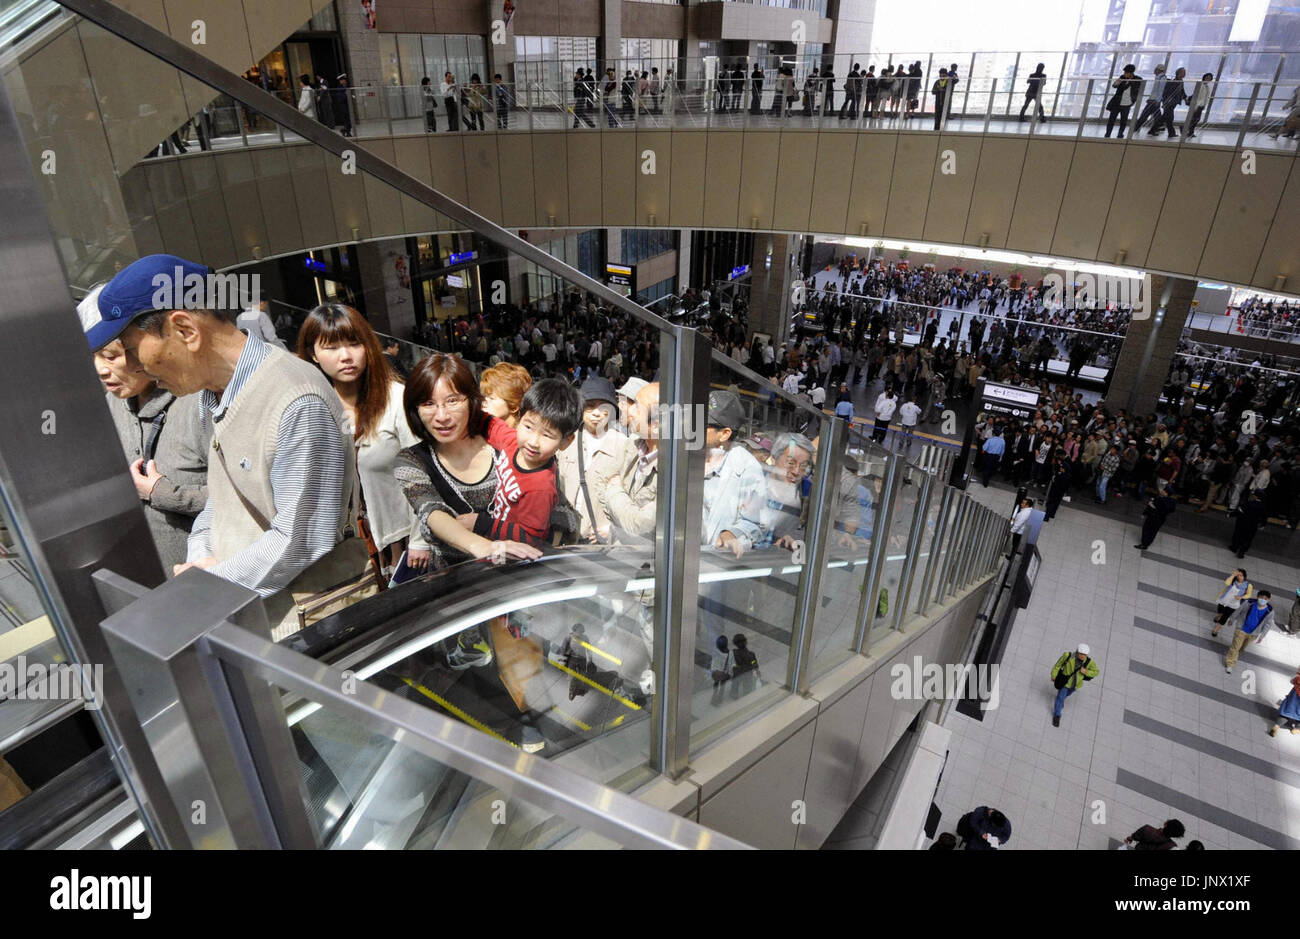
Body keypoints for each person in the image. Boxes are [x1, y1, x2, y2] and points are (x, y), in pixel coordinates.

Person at [100, 254, 372, 637]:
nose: (134, 366)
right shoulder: (215, 395)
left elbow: (300, 539)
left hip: (307, 627)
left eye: (130, 348)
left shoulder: (296, 399)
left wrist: (210, 583)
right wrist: (199, 560)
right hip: (255, 616)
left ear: (185, 330)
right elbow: (222, 499)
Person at [395, 355, 543, 666]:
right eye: (428, 404)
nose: (442, 416)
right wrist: (484, 545)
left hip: (514, 593)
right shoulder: (411, 461)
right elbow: (432, 512)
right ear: (415, 410)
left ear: (471, 400)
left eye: (452, 401)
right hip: (456, 599)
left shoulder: (505, 448)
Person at [78, 285, 209, 571]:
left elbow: (243, 497)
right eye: (94, 357)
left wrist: (163, 493)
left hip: (211, 581)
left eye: (112, 356)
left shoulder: (199, 400)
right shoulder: (112, 405)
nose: (101, 369)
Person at [298, 303, 426, 573]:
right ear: (313, 354)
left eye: (354, 344)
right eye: (331, 348)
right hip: (345, 549)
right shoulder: (312, 407)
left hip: (401, 545)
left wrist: (420, 539)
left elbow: (424, 473)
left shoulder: (396, 398)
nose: (346, 356)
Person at [557, 376, 633, 543]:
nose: (596, 413)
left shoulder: (624, 446)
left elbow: (631, 497)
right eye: (590, 406)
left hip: (599, 541)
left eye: (603, 407)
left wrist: (614, 530)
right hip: (565, 536)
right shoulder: (566, 441)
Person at [601, 381, 660, 540]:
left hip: (646, 560)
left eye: (638, 407)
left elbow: (638, 524)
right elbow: (604, 481)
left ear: (656, 425)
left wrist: (615, 489)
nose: (630, 411)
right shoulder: (633, 443)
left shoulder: (674, 470)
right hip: (617, 548)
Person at [1222, 591, 1274, 673]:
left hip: (1253, 633)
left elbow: (1267, 625)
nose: (1262, 600)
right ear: (1257, 597)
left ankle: (1235, 652)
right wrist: (1232, 619)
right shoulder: (1249, 603)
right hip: (1241, 629)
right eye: (1261, 597)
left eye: (1265, 598)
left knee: (1242, 648)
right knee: (1235, 647)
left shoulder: (1269, 611)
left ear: (1268, 599)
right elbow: (1239, 610)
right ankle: (1230, 664)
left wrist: (1262, 636)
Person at [1049, 643, 1099, 727]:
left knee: (1066, 695)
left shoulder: (1089, 662)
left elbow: (1096, 672)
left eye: (1085, 655)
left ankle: (1060, 702)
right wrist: (1054, 675)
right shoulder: (1068, 656)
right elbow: (1058, 665)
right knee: (1060, 698)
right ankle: (1057, 715)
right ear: (1077, 652)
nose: (1083, 656)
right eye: (1081, 654)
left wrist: (1086, 672)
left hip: (1075, 685)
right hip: (1065, 682)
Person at [479, 362, 532, 428]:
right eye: (484, 396)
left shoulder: (520, 437)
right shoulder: (483, 429)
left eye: (492, 398)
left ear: (514, 407)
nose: (483, 403)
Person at [1210, 568, 1253, 637]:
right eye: (1238, 575)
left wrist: (1241, 597)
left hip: (1233, 604)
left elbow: (1248, 595)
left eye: (1241, 575)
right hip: (1224, 600)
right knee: (1220, 611)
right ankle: (1219, 616)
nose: (1239, 577)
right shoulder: (1233, 580)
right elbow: (1227, 583)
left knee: (1225, 616)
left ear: (1244, 576)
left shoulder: (1248, 585)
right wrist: (1233, 575)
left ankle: (1216, 630)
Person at [1148, 66, 1187, 139]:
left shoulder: (1180, 81)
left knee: (1168, 118)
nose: (1184, 74)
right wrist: (1165, 101)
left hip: (1172, 103)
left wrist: (1185, 98)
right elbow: (1167, 92)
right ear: (1178, 73)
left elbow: (1182, 91)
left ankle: (1170, 133)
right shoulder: (1174, 81)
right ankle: (1154, 130)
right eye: (1183, 72)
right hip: (1169, 103)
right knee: (1166, 117)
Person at [1104, 64, 1140, 138]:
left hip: (1127, 103)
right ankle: (1108, 133)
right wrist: (1119, 82)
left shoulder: (1137, 79)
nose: (1124, 74)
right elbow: (1114, 86)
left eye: (1126, 72)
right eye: (1124, 72)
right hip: (1117, 102)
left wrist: (1133, 101)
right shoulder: (1122, 77)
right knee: (1112, 119)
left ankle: (1120, 134)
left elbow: (1137, 90)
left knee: (1123, 120)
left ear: (1131, 73)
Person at [1228, 490, 1268, 558]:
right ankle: (1242, 551)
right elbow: (1264, 517)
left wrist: (1230, 515)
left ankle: (1234, 548)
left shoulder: (1248, 503)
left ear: (1256, 496)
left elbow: (1240, 511)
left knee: (1238, 535)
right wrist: (1263, 525)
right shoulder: (1263, 507)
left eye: (1254, 495)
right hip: (1253, 526)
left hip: (1242, 523)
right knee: (1248, 539)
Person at [1132, 63, 1167, 134]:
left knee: (1146, 114)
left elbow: (1161, 90)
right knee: (1155, 116)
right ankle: (1154, 129)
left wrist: (1157, 100)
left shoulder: (1162, 78)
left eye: (1156, 69)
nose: (1154, 70)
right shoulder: (1158, 77)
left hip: (1154, 100)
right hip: (1153, 100)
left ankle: (1137, 128)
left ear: (1159, 70)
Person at [1267, 662, 1300, 737]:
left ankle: (1276, 727)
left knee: (1285, 714)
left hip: (1292, 702)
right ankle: (1297, 729)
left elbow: (1291, 681)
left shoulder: (1297, 678)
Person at [730, 633, 761, 699]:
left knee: (735, 684)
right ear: (746, 642)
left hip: (737, 673)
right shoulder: (751, 654)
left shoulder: (733, 653)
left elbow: (730, 663)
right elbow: (754, 663)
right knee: (747, 687)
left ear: (735, 643)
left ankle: (734, 695)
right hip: (747, 673)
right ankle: (746, 696)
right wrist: (757, 670)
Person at [1184, 72, 1213, 138]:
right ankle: (1187, 130)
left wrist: (1204, 105)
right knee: (1195, 119)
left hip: (1201, 105)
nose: (1208, 79)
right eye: (1207, 77)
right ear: (1204, 77)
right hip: (1197, 105)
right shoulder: (1201, 85)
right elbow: (1197, 95)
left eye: (1209, 78)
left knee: (1195, 119)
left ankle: (1189, 131)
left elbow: (1205, 97)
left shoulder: (1206, 86)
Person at [710, 634, 732, 706]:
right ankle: (720, 698)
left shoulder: (715, 653)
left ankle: (714, 698)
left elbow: (713, 663)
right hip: (724, 674)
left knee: (716, 685)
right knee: (722, 686)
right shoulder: (729, 653)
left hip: (716, 673)